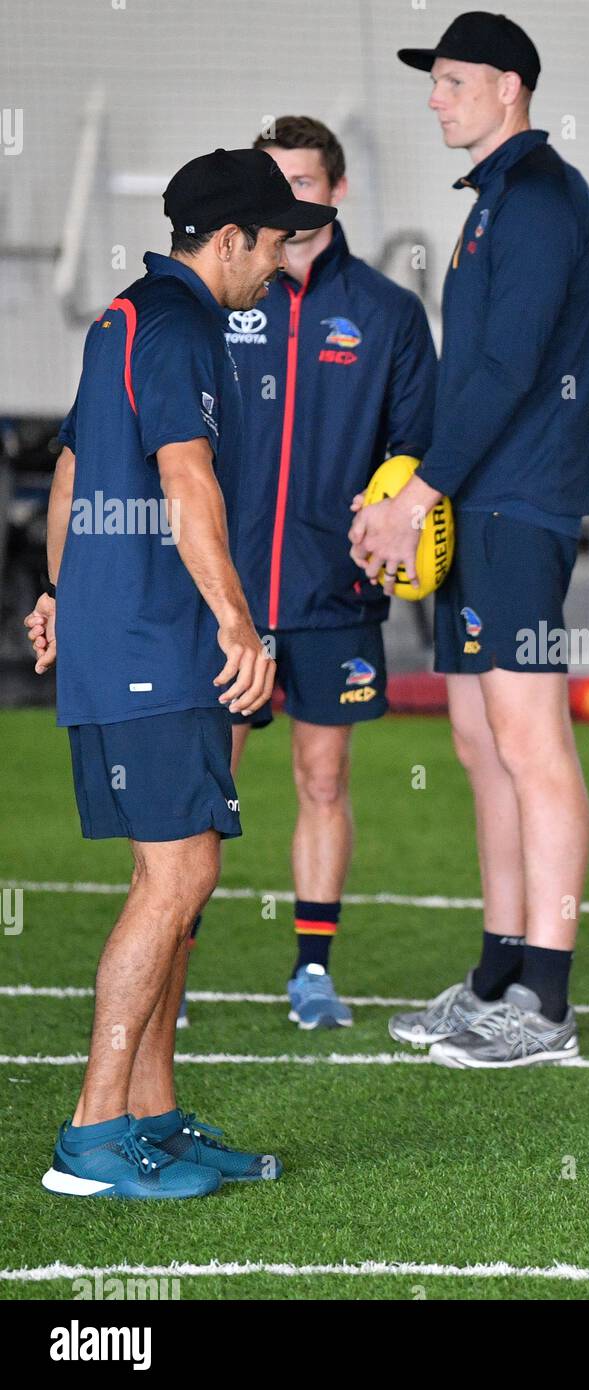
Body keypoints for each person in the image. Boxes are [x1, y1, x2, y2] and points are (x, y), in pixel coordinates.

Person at [24, 148, 336, 1198]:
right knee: (177, 879)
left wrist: (63, 593)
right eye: (274, 240)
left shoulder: (123, 316)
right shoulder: (181, 326)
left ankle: (148, 1113)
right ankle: (92, 1133)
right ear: (228, 237)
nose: (282, 262)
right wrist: (239, 627)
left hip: (126, 633)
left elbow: (72, 464)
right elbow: (185, 475)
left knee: (177, 873)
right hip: (160, 642)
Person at [350, 12, 589, 1067]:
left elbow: (504, 370)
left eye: (451, 82)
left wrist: (415, 497)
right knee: (477, 743)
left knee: (532, 743)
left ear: (508, 86)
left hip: (518, 510)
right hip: (476, 508)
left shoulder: (541, 200)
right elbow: (470, 378)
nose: (434, 99)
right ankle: (499, 969)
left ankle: (545, 1002)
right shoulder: (494, 201)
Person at [185, 116, 437, 1031]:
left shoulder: (387, 314)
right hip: (227, 595)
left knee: (324, 781)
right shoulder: (217, 300)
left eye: (302, 180)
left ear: (335, 190)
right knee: (204, 780)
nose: (287, 198)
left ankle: (313, 972)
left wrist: (393, 530)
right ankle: (173, 961)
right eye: (271, 181)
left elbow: (416, 451)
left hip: (335, 596)